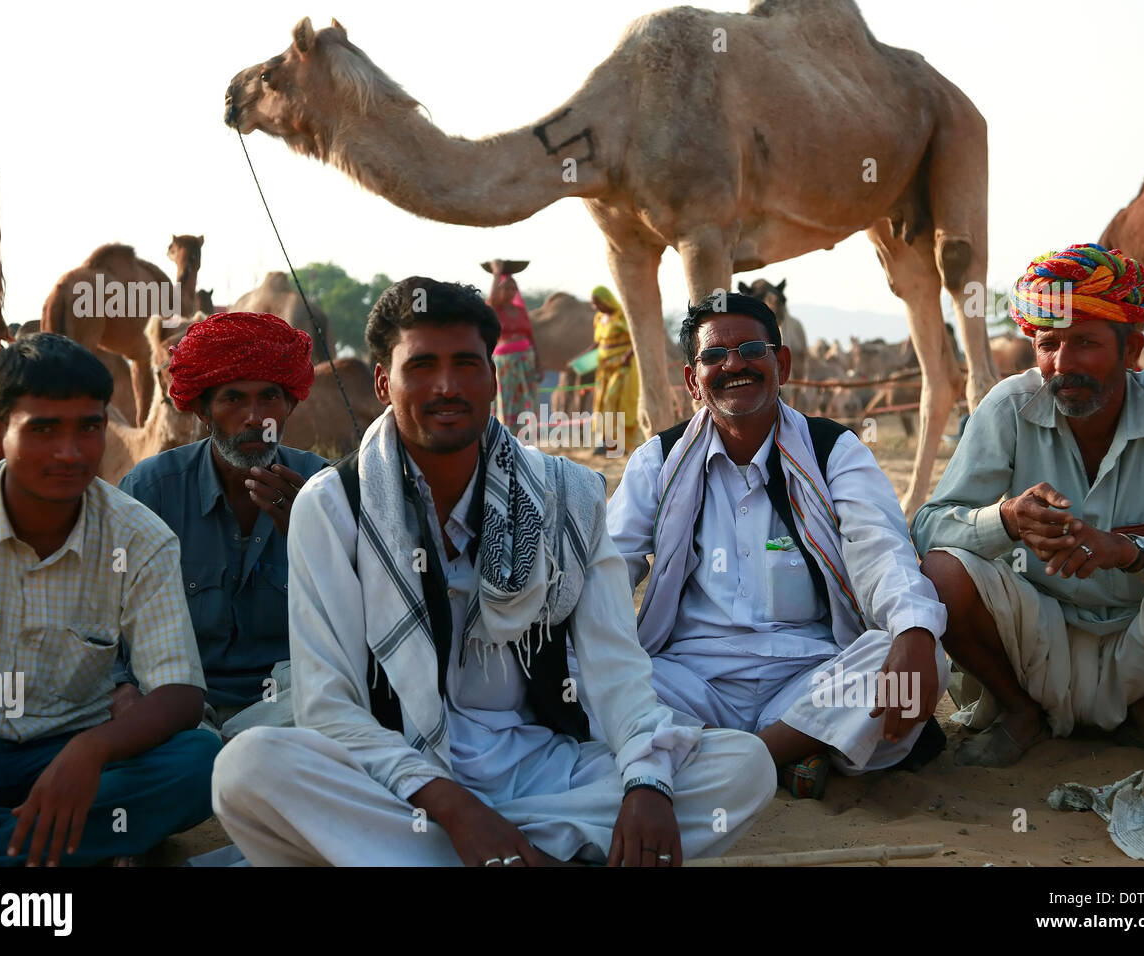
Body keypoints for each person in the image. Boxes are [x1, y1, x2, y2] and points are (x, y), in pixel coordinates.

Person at [211, 278, 776, 865]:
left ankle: (478, 853)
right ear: (383, 382)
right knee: (245, 769)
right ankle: (528, 851)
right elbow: (329, 708)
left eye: (465, 364)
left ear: (493, 378)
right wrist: (456, 810)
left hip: (547, 770)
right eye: (422, 365)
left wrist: (646, 781)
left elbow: (618, 675)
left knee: (744, 767)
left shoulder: (567, 495)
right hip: (402, 778)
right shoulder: (333, 505)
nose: (447, 386)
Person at [607, 292, 948, 796]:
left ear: (780, 363)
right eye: (714, 356)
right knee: (574, 669)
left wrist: (913, 630)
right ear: (692, 381)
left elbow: (881, 548)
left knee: (915, 652)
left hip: (810, 677)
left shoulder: (833, 449)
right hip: (690, 682)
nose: (734, 365)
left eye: (751, 349)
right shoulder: (658, 460)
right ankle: (793, 751)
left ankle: (734, 756)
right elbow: (611, 567)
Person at [912, 243, 1144, 774]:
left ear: (1131, 351)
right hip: (1035, 633)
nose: (1064, 364)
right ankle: (1019, 713)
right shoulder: (1009, 406)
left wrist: (1127, 552)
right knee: (939, 573)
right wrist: (1003, 520)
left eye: (1085, 343)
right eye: (1048, 343)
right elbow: (927, 526)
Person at [0, 333, 216, 866]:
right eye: (43, 429)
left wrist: (90, 750)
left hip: (74, 756)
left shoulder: (138, 537)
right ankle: (66, 846)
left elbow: (180, 694)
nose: (70, 452)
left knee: (200, 762)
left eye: (89, 427)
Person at [116, 312, 328, 739]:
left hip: (288, 703)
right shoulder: (151, 490)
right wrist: (124, 695)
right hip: (181, 701)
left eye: (269, 397)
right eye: (233, 399)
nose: (254, 417)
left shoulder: (321, 489)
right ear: (201, 409)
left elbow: (357, 625)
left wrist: (311, 543)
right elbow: (107, 617)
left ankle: (233, 749)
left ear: (289, 405)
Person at [485, 260, 540, 430]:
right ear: (498, 290)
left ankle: (526, 433)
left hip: (526, 361)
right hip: (505, 364)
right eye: (505, 288)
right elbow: (490, 300)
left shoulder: (521, 310)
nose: (510, 292)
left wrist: (539, 363)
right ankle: (507, 431)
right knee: (506, 399)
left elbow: (531, 336)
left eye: (513, 289)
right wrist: (497, 273)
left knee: (527, 398)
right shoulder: (495, 310)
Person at [590, 285, 641, 454]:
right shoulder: (598, 318)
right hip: (604, 367)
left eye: (598, 302)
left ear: (606, 300)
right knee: (601, 402)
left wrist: (627, 356)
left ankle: (619, 443)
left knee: (613, 401)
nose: (596, 307)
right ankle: (605, 440)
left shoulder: (621, 316)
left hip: (623, 366)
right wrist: (582, 357)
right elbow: (598, 342)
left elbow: (635, 337)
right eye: (594, 303)